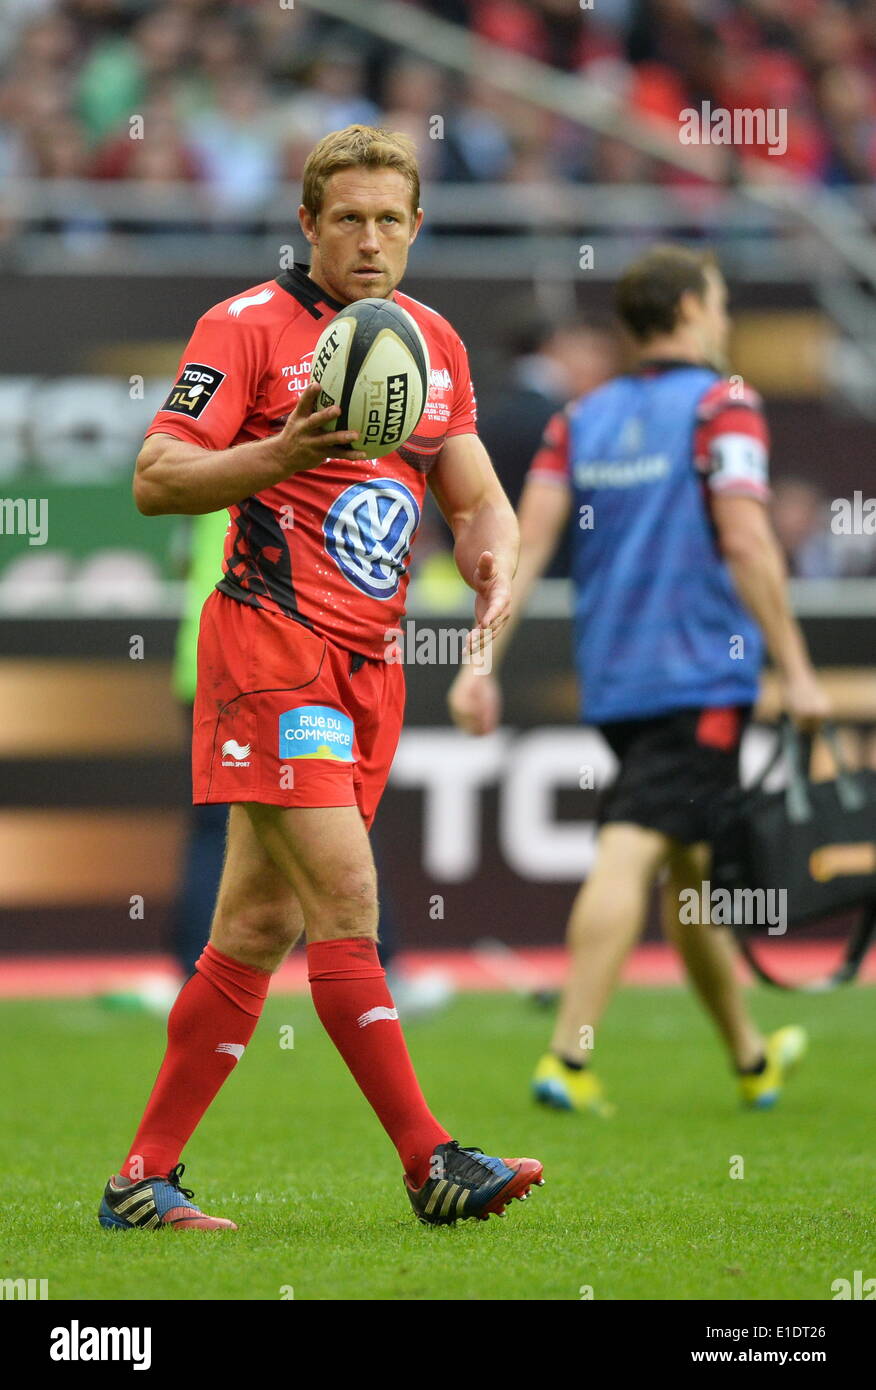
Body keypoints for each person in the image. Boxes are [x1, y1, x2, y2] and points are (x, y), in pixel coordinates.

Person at [99, 124, 542, 1232]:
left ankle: (140, 1179)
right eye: (347, 217)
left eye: (392, 218)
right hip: (267, 650)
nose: (371, 238)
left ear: (419, 227)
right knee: (347, 901)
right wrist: (278, 456)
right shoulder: (243, 328)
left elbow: (475, 491)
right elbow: (156, 478)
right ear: (307, 224)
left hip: (368, 666)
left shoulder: (435, 340)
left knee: (252, 927)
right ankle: (432, 1159)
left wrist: (494, 547)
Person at [448, 244, 831, 1116]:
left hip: (616, 680)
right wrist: (798, 670)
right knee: (631, 844)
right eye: (721, 301)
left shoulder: (579, 419)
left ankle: (749, 1056)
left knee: (688, 869)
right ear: (693, 309)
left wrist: (478, 663)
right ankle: (568, 1057)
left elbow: (524, 550)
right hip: (701, 678)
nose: (726, 317)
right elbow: (746, 539)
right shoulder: (723, 406)